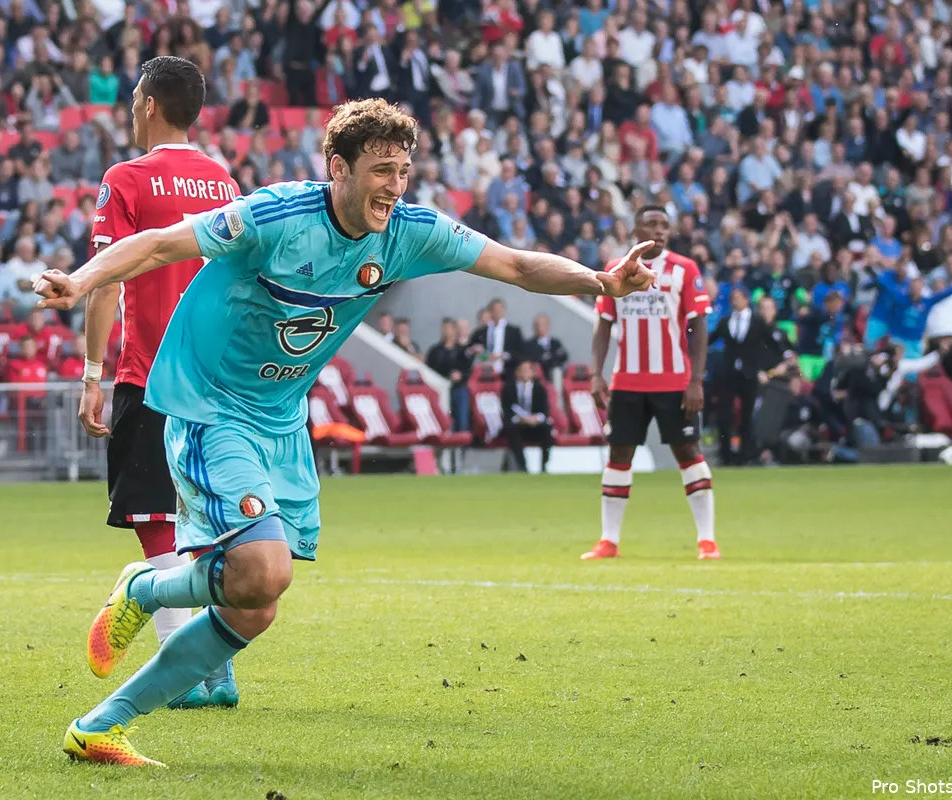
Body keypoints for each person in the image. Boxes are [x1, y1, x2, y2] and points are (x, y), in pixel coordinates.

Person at [35, 98, 656, 767]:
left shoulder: (409, 233)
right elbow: (158, 244)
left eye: (404, 171)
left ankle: (102, 722)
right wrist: (80, 280)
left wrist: (599, 281)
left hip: (282, 420)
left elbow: (514, 265)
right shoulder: (277, 215)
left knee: (256, 603)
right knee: (262, 569)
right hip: (213, 407)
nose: (395, 184)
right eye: (381, 169)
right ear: (338, 167)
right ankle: (144, 591)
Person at [79, 56, 243, 712]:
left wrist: (91, 375)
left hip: (150, 376)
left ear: (148, 103)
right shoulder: (224, 182)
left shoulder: (126, 178)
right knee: (202, 527)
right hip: (218, 382)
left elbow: (106, 276)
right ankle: (220, 667)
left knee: (157, 529)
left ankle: (194, 677)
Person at [583, 206, 718, 561]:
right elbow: (604, 323)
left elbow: (699, 326)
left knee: (688, 454)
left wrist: (696, 381)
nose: (659, 230)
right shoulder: (616, 268)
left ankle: (707, 540)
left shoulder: (684, 268)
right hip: (627, 382)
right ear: (636, 230)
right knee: (619, 455)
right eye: (651, 224)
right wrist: (596, 373)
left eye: (664, 225)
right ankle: (608, 541)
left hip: (675, 382)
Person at [709, 287, 774, 465]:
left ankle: (747, 454)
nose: (734, 301)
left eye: (738, 298)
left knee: (747, 415)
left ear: (746, 300)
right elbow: (710, 340)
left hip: (749, 374)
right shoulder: (725, 321)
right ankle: (726, 453)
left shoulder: (756, 321)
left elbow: (770, 344)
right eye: (733, 298)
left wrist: (767, 367)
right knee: (724, 414)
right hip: (729, 374)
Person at [501, 358, 551, 471]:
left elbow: (545, 411)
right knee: (511, 430)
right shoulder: (508, 389)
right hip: (518, 425)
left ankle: (544, 466)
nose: (524, 373)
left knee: (546, 429)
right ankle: (523, 467)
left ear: (533, 373)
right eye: (521, 370)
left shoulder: (540, 389)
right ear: (516, 372)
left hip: (535, 425)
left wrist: (535, 419)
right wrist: (520, 419)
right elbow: (506, 411)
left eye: (527, 370)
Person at [424, 317, 473, 433]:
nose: (446, 331)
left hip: (458, 387)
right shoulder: (435, 350)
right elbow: (429, 369)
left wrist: (460, 376)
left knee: (461, 418)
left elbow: (468, 369)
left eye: (449, 328)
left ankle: (461, 442)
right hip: (440, 388)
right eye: (444, 328)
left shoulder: (462, 350)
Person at [522, 313, 567, 378]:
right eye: (537, 325)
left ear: (548, 326)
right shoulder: (528, 344)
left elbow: (563, 356)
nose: (540, 328)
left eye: (543, 325)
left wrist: (548, 358)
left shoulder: (555, 343)